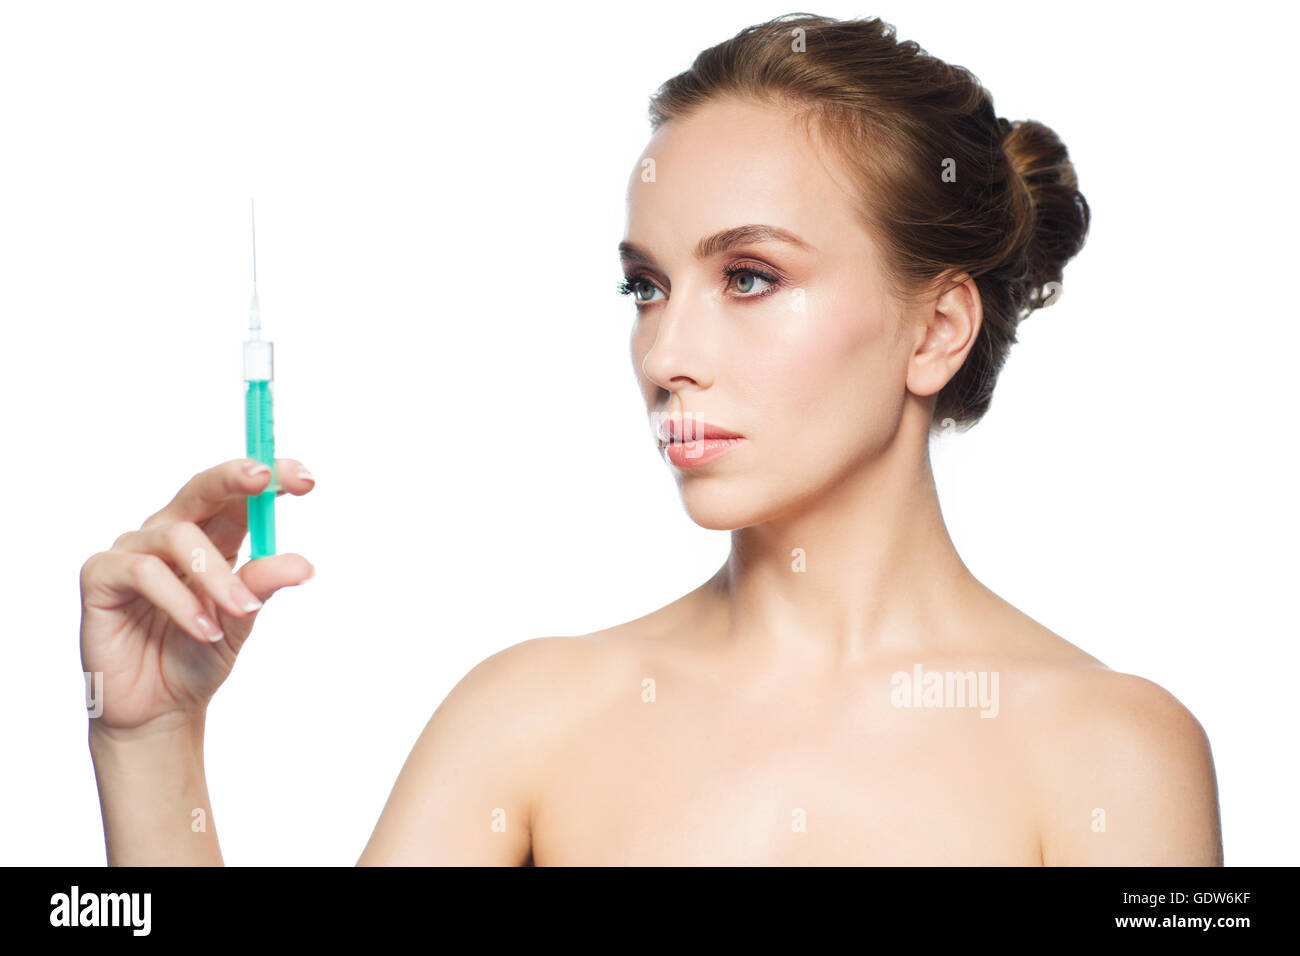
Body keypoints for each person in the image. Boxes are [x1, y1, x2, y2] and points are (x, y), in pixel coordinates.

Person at [81, 13, 1223, 865]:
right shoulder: (528, 715)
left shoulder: (1114, 752)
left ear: (937, 328)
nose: (665, 350)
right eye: (644, 285)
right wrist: (152, 744)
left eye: (749, 275)